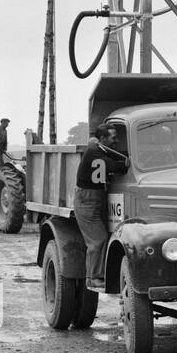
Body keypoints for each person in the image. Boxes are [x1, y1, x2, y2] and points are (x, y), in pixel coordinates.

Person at [75, 123, 129, 292]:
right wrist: (126, 163)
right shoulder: (94, 152)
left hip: (95, 199)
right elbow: (110, 166)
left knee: (101, 238)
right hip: (87, 200)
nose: (116, 140)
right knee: (98, 240)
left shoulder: (99, 150)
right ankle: (93, 279)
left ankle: (99, 275)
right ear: (103, 138)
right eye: (113, 137)